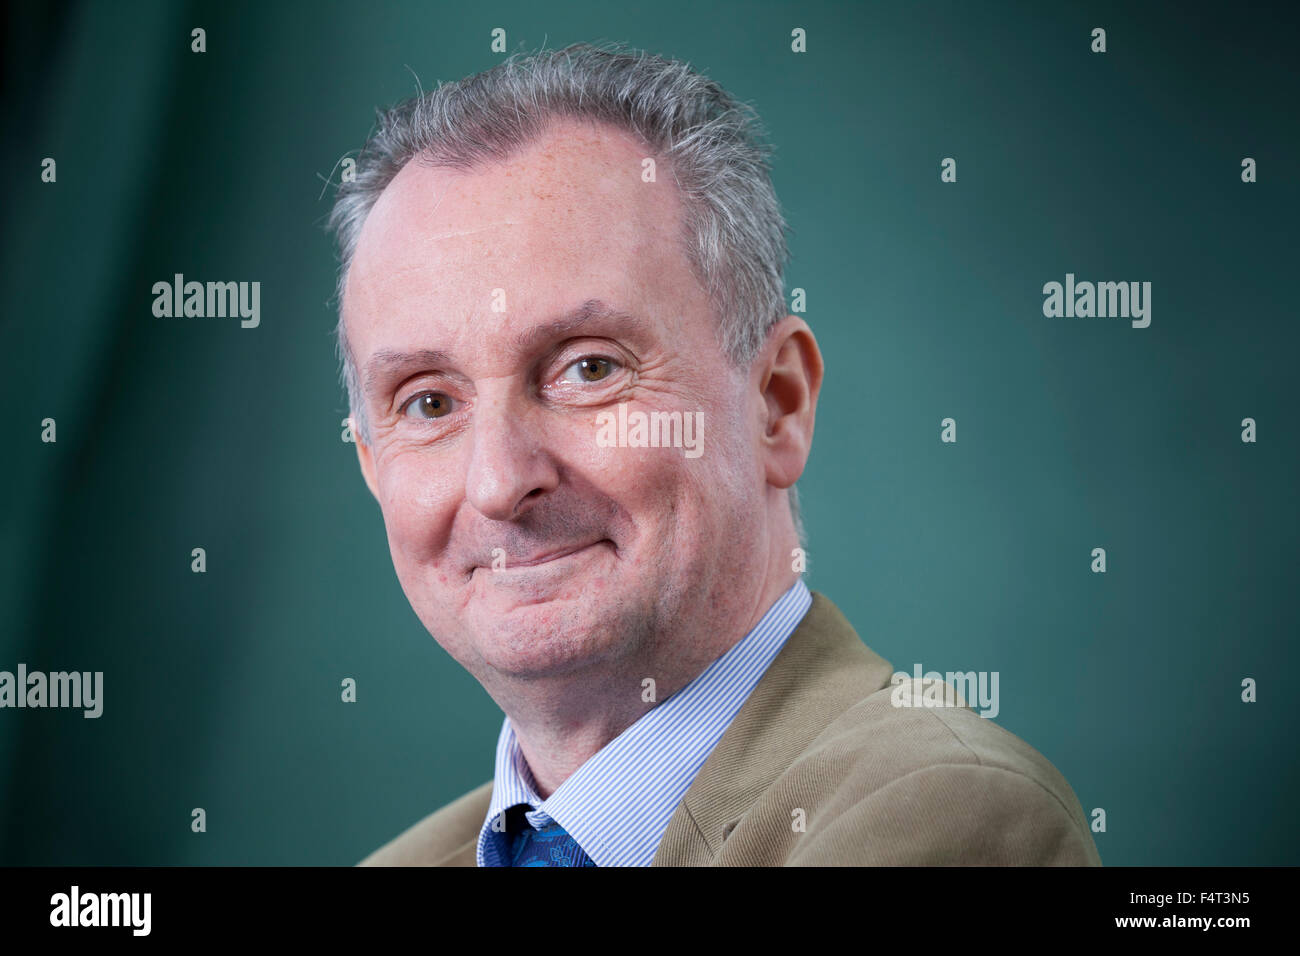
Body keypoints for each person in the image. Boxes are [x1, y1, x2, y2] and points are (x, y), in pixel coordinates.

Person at [327, 41, 1101, 866]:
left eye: (589, 368)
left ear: (778, 404)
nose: (498, 481)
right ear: (373, 464)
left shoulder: (944, 816)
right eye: (429, 402)